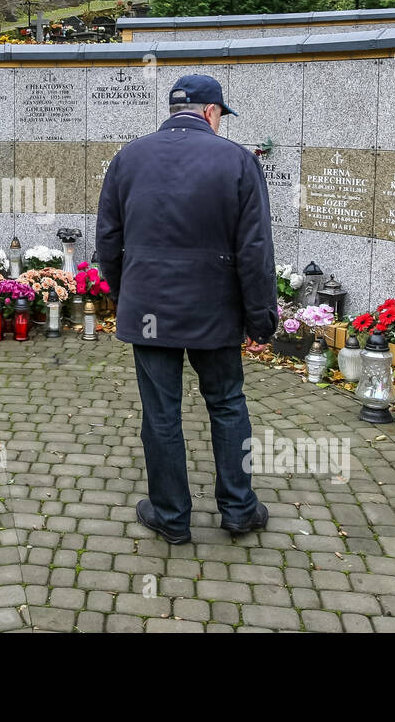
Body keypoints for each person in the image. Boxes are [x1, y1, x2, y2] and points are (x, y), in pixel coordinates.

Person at [95, 73, 277, 544]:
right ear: (212, 113)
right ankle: (238, 509)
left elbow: (108, 240)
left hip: (148, 307)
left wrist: (126, 292)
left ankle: (171, 516)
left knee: (160, 413)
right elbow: (255, 249)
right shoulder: (237, 160)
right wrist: (261, 317)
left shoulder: (128, 157)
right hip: (214, 312)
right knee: (227, 403)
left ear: (175, 111)